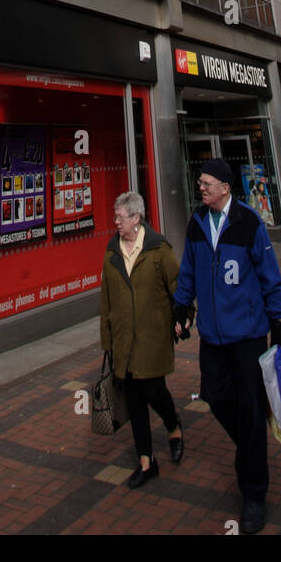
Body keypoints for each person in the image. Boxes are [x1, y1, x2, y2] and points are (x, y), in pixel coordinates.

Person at [172, 159, 281, 535]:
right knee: (215, 396)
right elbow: (188, 269)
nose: (201, 188)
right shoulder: (196, 223)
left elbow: (269, 273)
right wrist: (182, 306)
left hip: (248, 335)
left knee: (251, 408)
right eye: (200, 183)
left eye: (207, 183)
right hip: (213, 336)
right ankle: (251, 446)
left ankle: (254, 494)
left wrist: (278, 319)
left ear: (225, 187)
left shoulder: (249, 222)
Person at [100, 190, 184, 488]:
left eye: (121, 217)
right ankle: (146, 461)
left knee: (153, 390)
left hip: (152, 335)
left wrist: (182, 318)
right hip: (124, 340)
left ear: (137, 218)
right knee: (134, 400)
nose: (116, 222)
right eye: (116, 217)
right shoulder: (112, 253)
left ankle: (173, 425)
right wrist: (107, 341)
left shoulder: (158, 249)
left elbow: (178, 287)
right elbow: (106, 300)